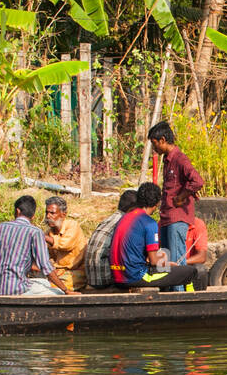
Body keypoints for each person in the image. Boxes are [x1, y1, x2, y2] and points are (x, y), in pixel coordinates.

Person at [110, 181, 207, 292]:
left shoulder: (125, 217)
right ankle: (191, 304)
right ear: (157, 204)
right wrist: (168, 264)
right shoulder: (149, 223)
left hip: (116, 276)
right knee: (190, 272)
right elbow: (154, 261)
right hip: (134, 277)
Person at [148, 121, 204, 289]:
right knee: (164, 264)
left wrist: (182, 196)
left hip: (177, 219)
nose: (154, 148)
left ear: (163, 140)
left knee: (177, 264)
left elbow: (198, 181)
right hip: (165, 219)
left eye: (155, 143)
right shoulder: (168, 161)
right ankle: (166, 299)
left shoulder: (180, 159)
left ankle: (179, 300)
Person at [0, 195, 70, 296]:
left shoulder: (0, 228)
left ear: (17, 211)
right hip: (18, 290)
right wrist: (66, 290)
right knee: (58, 292)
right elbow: (46, 267)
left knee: (44, 282)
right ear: (33, 216)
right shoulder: (35, 232)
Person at [85, 189, 137, 290]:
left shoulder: (110, 219)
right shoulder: (124, 222)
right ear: (132, 208)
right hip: (104, 277)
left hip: (92, 276)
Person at [43, 196, 87, 292]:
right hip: (59, 272)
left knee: (51, 289)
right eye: (47, 212)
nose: (48, 216)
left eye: (52, 213)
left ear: (63, 215)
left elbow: (65, 245)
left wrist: (43, 237)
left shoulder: (72, 225)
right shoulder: (49, 232)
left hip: (75, 272)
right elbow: (47, 256)